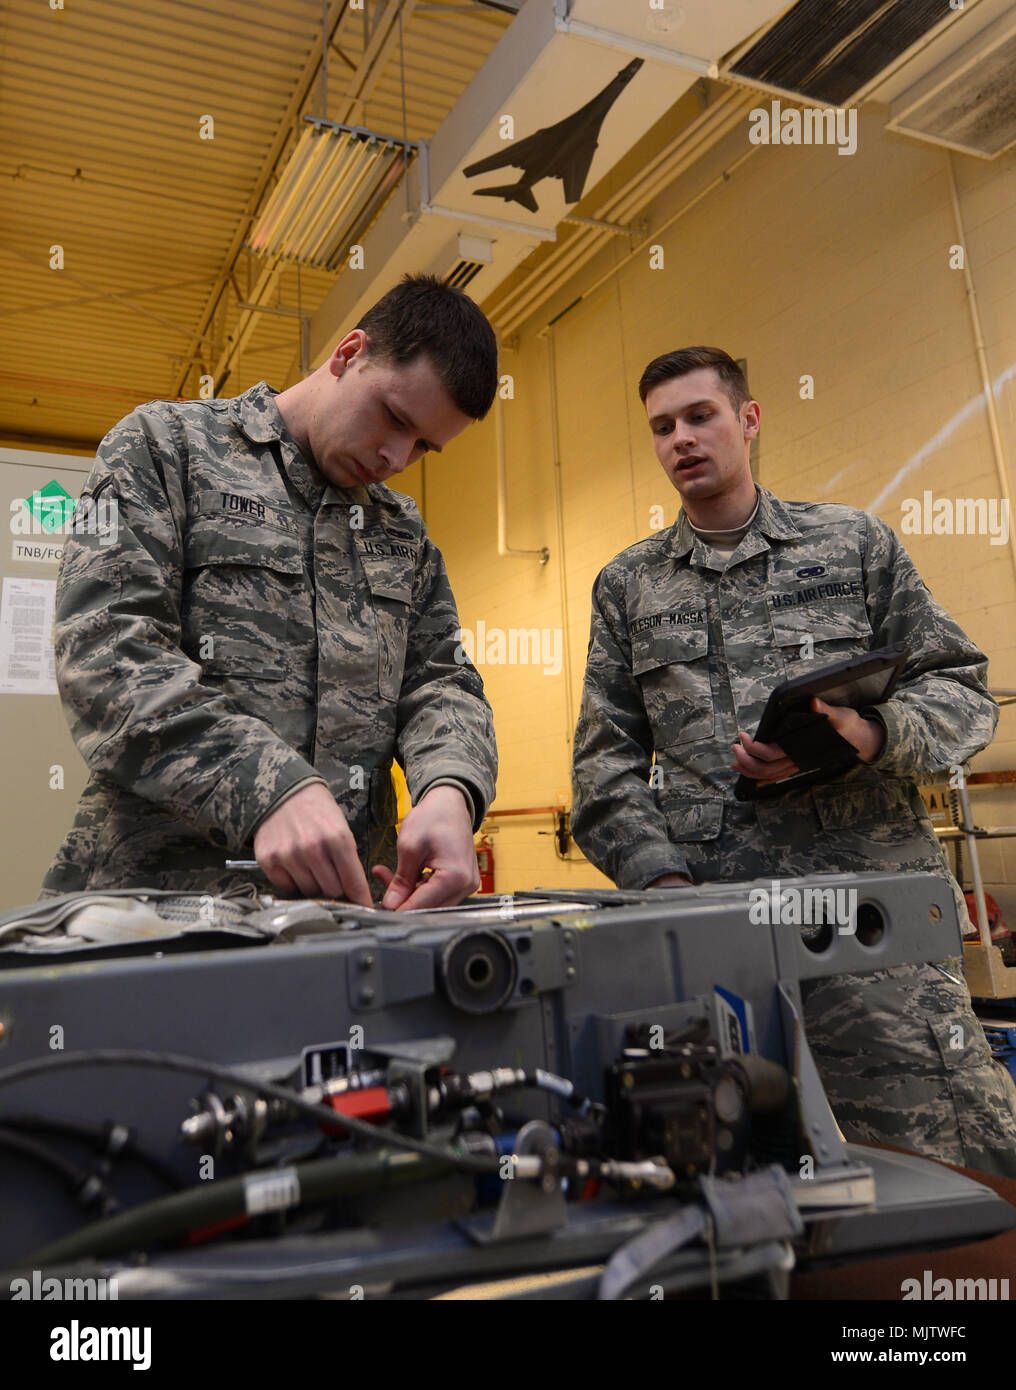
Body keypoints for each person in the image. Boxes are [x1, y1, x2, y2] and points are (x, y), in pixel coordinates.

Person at [571, 345, 1016, 1174]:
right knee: (742, 1171)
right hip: (719, 939)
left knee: (954, 1161)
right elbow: (604, 770)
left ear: (748, 418)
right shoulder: (627, 586)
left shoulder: (853, 544)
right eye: (662, 427)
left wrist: (870, 736)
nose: (681, 440)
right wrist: (665, 890)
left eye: (700, 416)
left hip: (870, 929)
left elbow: (963, 690)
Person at [41, 275, 498, 911]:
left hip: (344, 918)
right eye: (394, 417)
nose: (397, 454)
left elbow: (440, 681)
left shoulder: (400, 529)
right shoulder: (167, 448)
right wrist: (268, 786)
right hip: (158, 914)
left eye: (423, 445)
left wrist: (450, 787)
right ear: (347, 354)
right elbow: (105, 652)